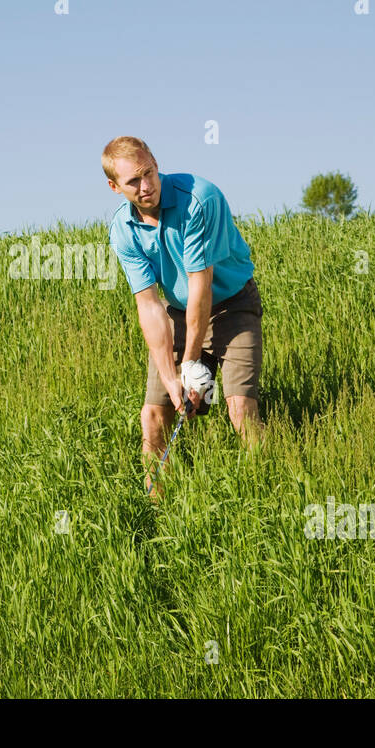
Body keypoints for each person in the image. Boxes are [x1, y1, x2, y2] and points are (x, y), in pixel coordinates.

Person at [103, 136, 266, 500]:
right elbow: (148, 305)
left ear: (156, 163)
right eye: (133, 181)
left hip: (232, 304)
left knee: (238, 406)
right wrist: (170, 376)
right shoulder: (122, 231)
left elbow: (201, 287)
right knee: (153, 413)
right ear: (115, 187)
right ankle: (156, 504)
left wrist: (191, 363)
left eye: (149, 172)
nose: (146, 186)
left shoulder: (199, 200)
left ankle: (262, 492)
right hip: (178, 312)